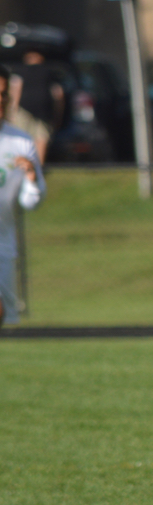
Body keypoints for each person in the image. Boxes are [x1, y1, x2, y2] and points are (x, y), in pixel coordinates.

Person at [0, 65, 46, 326]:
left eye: (3, 93)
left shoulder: (20, 142)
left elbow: (31, 202)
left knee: (5, 320)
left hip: (2, 247)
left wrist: (31, 178)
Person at [5, 74, 51, 165]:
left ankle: (34, 170)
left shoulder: (20, 70)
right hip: (35, 111)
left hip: (34, 113)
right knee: (35, 139)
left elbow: (16, 88)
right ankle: (33, 169)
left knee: (31, 139)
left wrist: (12, 110)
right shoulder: (49, 70)